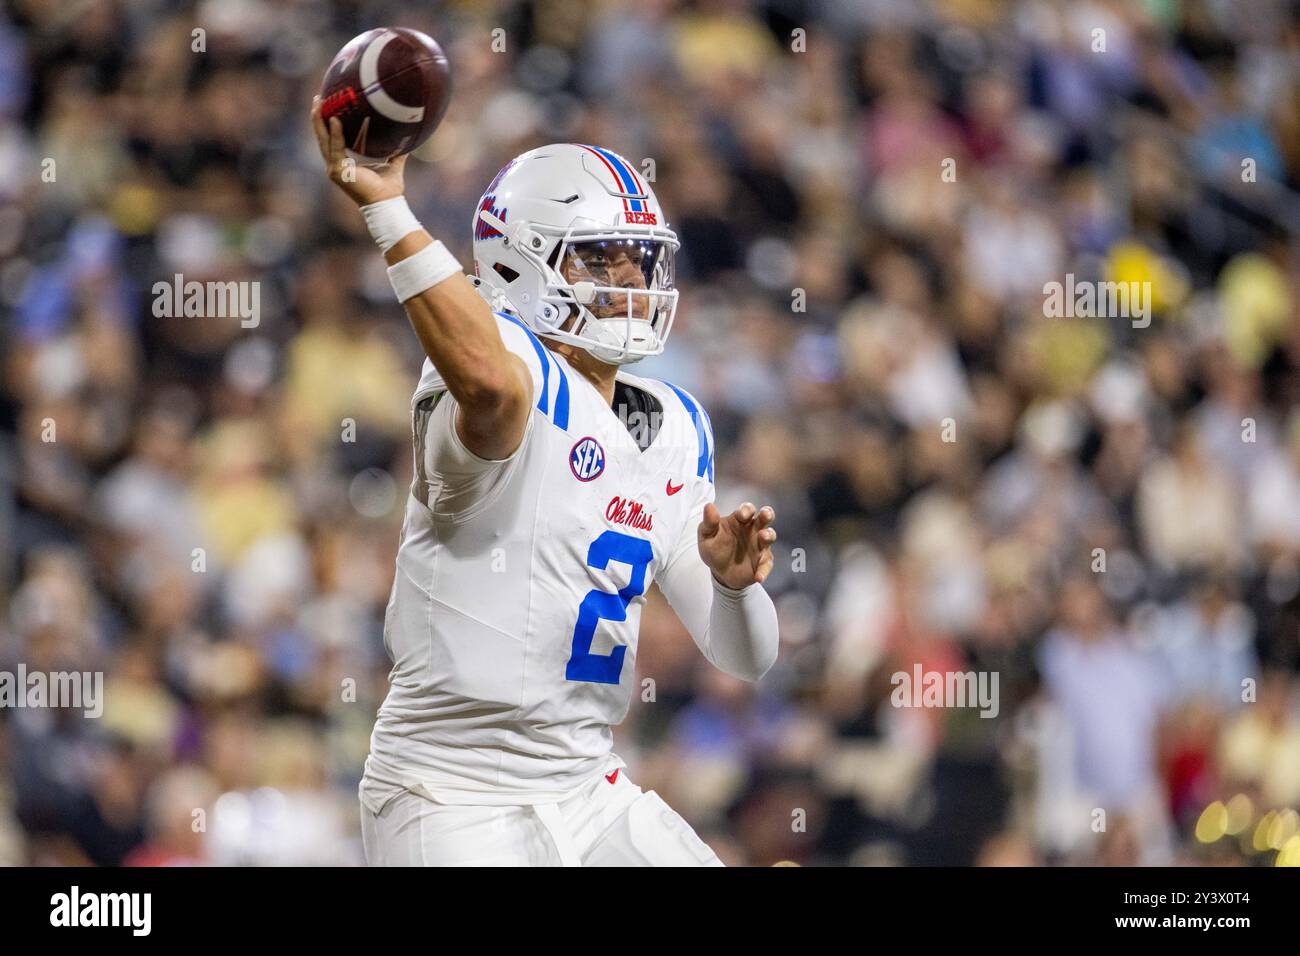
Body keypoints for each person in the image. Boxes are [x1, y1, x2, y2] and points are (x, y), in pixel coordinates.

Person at [310, 102, 780, 866]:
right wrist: (389, 207)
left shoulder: (677, 423)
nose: (630, 277)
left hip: (584, 783)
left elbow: (747, 658)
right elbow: (495, 386)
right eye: (600, 258)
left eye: (638, 257)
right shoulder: (496, 378)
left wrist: (731, 589)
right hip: (449, 789)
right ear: (515, 266)